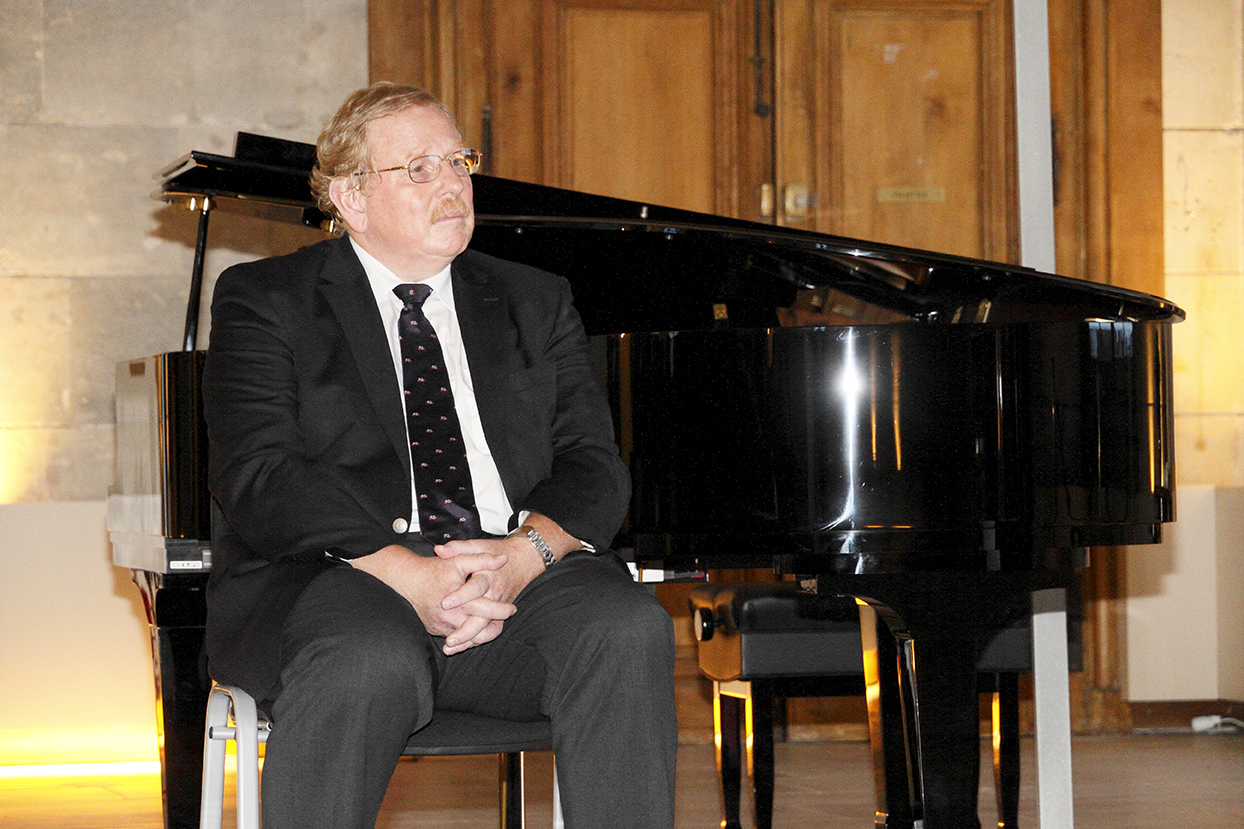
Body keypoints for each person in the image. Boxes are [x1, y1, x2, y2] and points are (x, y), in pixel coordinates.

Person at [201, 82, 677, 829]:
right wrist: (408, 572)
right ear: (350, 198)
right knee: (367, 657)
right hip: (346, 575)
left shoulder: (534, 299)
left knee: (625, 627)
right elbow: (261, 476)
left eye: (458, 160)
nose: (453, 183)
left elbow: (594, 466)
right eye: (418, 168)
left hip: (509, 573)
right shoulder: (268, 298)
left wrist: (524, 555)